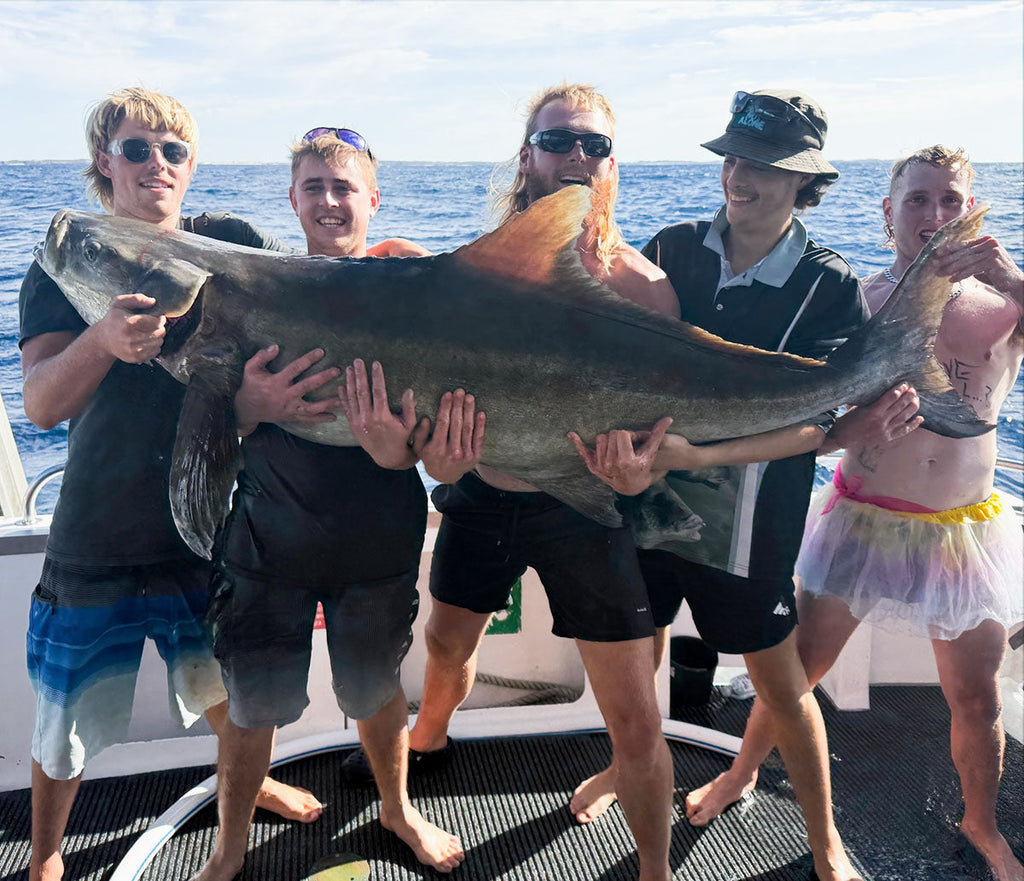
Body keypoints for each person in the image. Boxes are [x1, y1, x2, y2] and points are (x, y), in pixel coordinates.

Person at [342, 83, 682, 881]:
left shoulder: (642, 287)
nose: (576, 157)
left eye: (594, 145)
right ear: (525, 154)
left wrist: (644, 468)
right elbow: (416, 352)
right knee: (446, 645)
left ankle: (658, 871)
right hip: (483, 495)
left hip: (586, 506)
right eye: (559, 141)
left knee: (633, 713)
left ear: (611, 163)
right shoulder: (477, 270)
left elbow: (672, 423)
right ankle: (427, 738)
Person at [683, 145, 1024, 881]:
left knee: (975, 693)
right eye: (917, 200)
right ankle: (740, 772)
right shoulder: (860, 300)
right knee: (795, 670)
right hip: (861, 517)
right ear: (887, 212)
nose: (934, 215)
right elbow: (814, 404)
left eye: (949, 201)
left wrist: (1015, 279)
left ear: (969, 210)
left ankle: (983, 822)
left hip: (963, 530)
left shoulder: (1008, 308)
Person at [19, 87, 326, 881]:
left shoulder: (232, 242)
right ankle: (48, 855)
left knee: (232, 696)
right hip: (99, 529)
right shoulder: (66, 261)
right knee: (63, 724)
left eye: (173, 150)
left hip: (210, 523)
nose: (157, 164)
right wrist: (102, 340)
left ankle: (251, 786)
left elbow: (314, 328)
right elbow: (44, 404)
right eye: (136, 149)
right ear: (104, 161)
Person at [570, 89, 876, 881]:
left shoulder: (828, 283)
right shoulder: (672, 246)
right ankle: (622, 768)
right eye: (734, 157)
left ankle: (824, 836)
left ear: (803, 180)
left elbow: (818, 425)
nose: (741, 175)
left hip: (751, 524)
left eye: (766, 165)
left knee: (781, 685)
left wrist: (695, 458)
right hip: (641, 506)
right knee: (637, 666)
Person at [190, 129, 465, 881]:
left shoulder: (411, 291)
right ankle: (229, 845)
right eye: (313, 187)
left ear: (372, 199)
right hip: (267, 543)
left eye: (344, 187)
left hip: (376, 542)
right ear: (292, 201)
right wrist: (246, 406)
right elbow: (208, 413)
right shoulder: (256, 290)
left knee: (377, 694)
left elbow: (442, 419)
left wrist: (407, 446)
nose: (329, 201)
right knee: (252, 709)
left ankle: (396, 807)